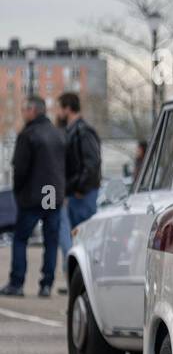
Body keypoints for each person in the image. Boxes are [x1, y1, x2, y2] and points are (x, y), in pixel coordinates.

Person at [2, 97, 66, 298]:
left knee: (21, 239)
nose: (22, 113)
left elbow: (19, 169)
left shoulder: (28, 135)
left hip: (32, 196)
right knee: (50, 240)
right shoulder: (59, 134)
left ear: (33, 110)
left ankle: (17, 283)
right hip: (52, 194)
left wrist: (18, 193)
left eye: (24, 109)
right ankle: (46, 284)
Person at [53, 92, 102, 290]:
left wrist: (80, 188)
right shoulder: (71, 131)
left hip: (82, 194)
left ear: (67, 108)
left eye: (59, 108)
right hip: (75, 193)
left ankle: (83, 282)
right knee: (75, 239)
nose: (57, 112)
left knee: (83, 239)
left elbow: (92, 163)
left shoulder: (83, 131)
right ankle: (75, 280)